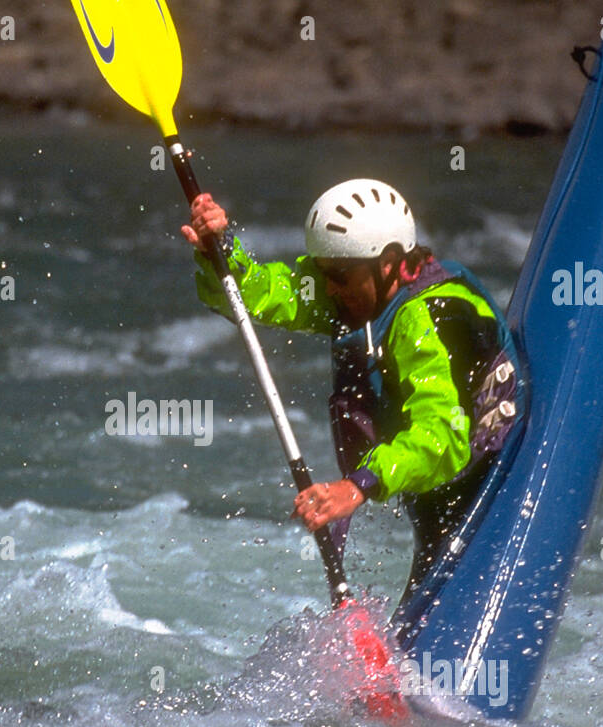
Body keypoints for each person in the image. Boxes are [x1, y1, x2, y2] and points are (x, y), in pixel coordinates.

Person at [182, 179, 523, 601]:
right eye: (323, 273)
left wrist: (356, 486)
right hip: (428, 487)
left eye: (339, 276)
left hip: (483, 482)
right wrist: (219, 251)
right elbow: (260, 294)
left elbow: (442, 438)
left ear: (390, 263)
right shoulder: (356, 293)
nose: (327, 288)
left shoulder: (431, 320)